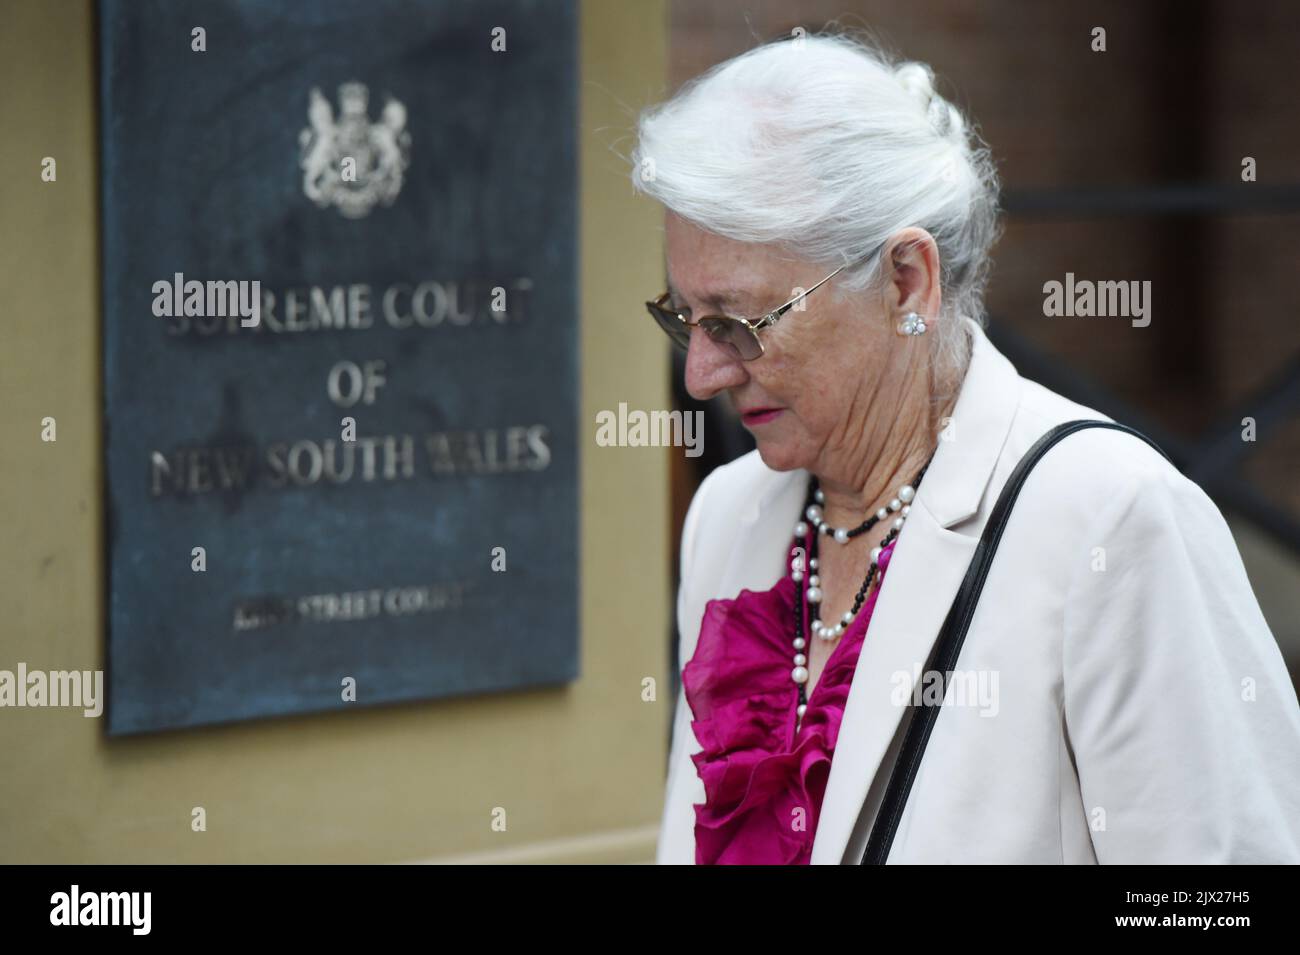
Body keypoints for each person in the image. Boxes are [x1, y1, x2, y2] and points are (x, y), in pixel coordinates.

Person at [632, 32, 1300, 864]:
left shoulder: (1111, 521)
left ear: (907, 280)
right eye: (684, 319)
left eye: (740, 322)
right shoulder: (728, 515)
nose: (700, 373)